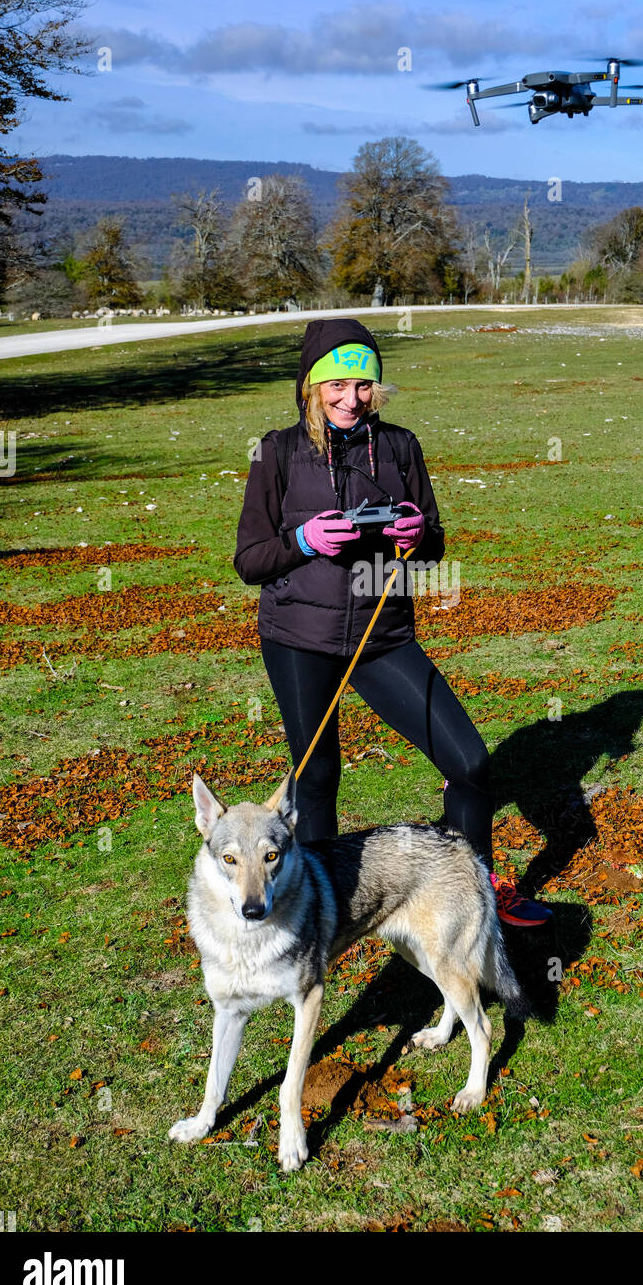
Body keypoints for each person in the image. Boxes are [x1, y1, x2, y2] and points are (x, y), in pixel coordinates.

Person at [234, 317, 550, 927]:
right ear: (311, 386)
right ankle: (319, 917)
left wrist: (417, 533)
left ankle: (476, 897)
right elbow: (250, 560)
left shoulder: (400, 446)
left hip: (383, 638)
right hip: (299, 638)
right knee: (316, 778)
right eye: (337, 384)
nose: (352, 399)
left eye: (364, 385)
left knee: (469, 762)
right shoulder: (276, 452)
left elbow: (432, 543)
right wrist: (303, 540)